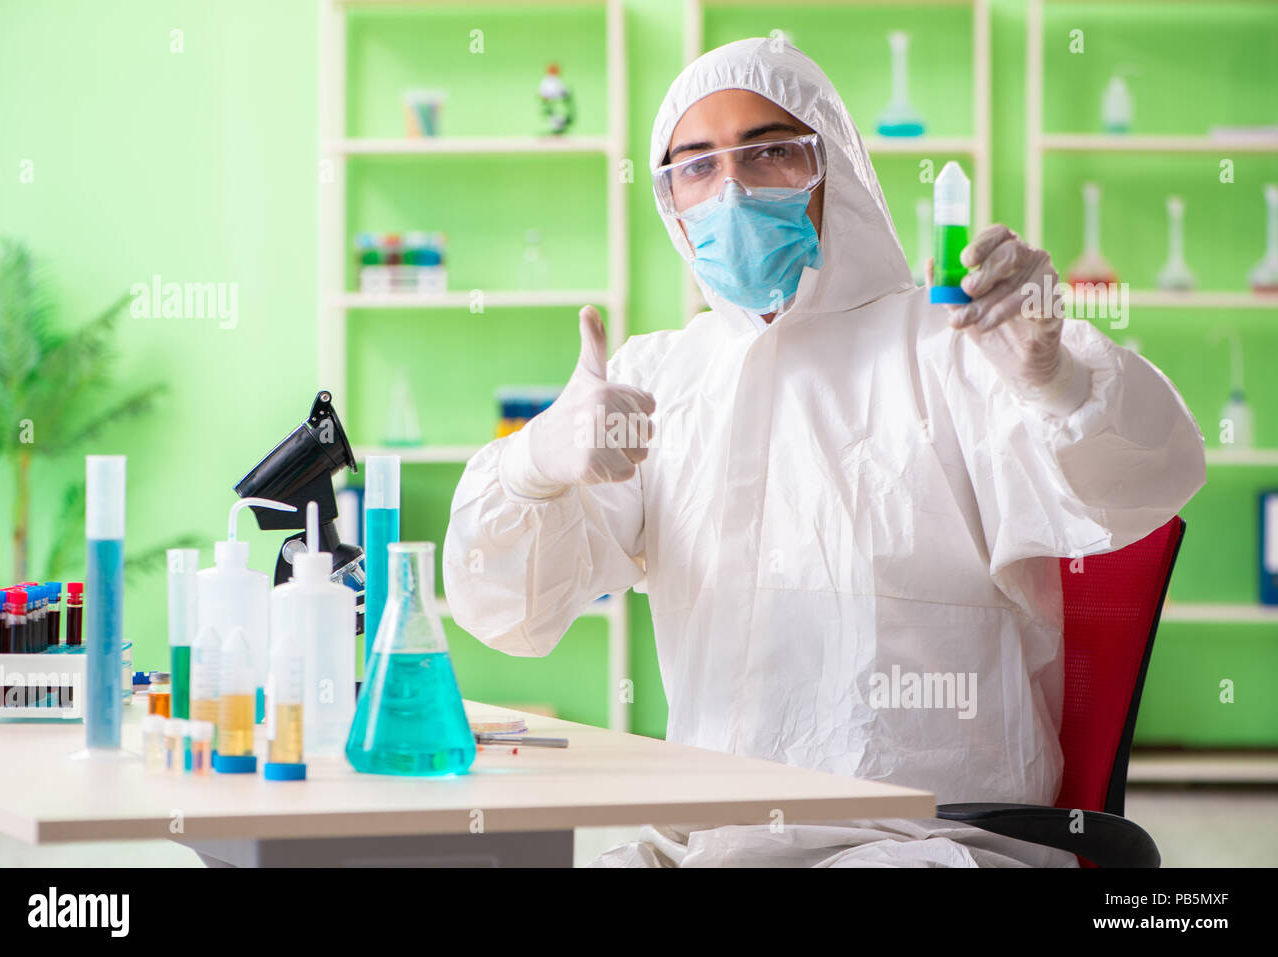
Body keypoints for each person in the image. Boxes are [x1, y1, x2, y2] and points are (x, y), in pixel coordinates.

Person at [443, 38, 1206, 867]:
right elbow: (510, 614)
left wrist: (1056, 380)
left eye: (770, 152)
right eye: (695, 167)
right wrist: (534, 465)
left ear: (832, 167)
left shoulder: (959, 345)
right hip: (709, 842)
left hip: (926, 837)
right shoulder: (657, 381)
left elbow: (1146, 482)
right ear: (668, 199)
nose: (730, 191)